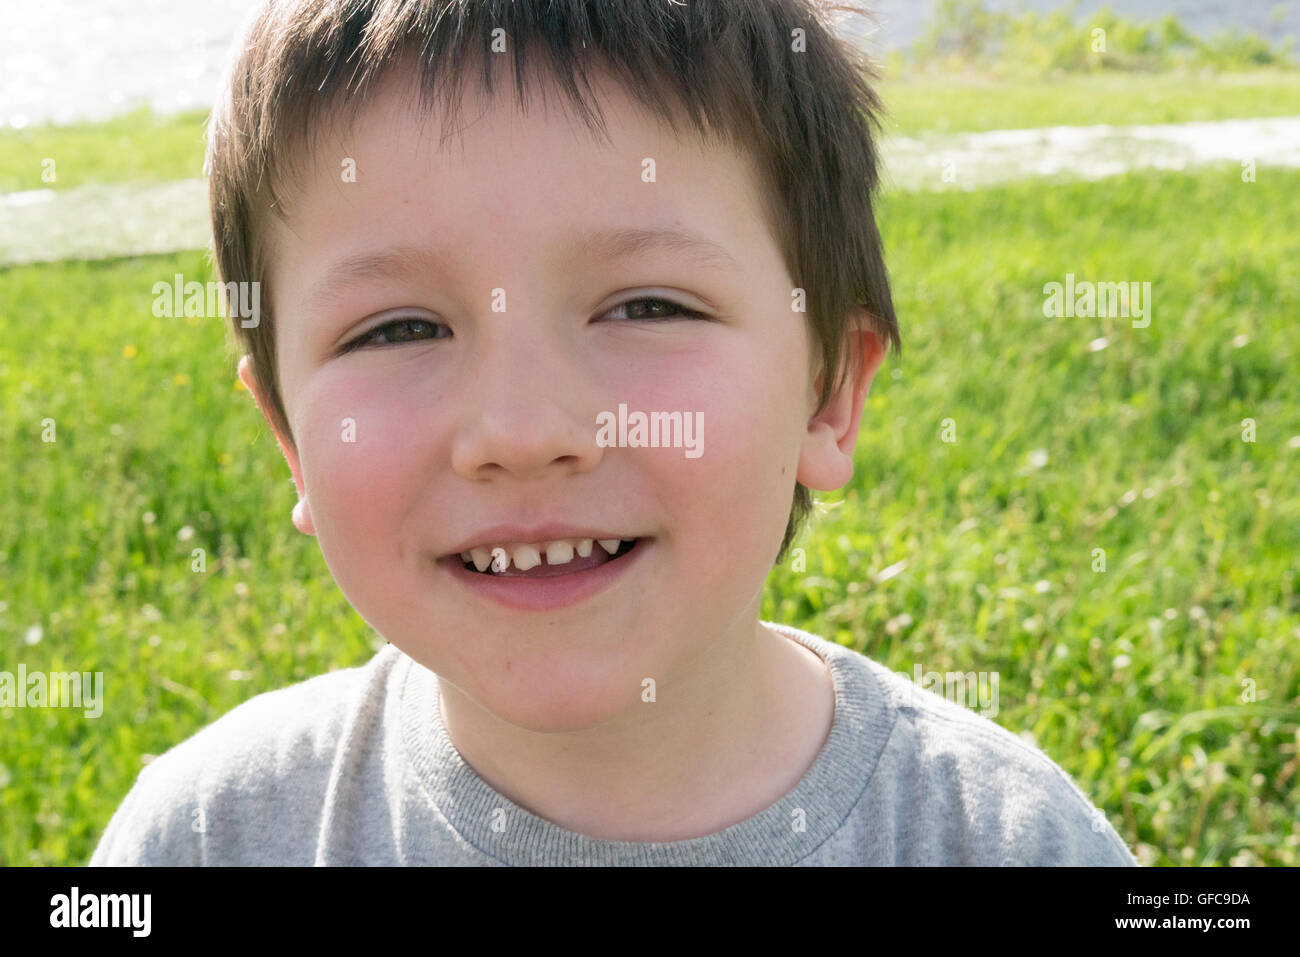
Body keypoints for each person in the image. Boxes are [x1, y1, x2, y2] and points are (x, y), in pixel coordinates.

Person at [90, 0, 1137, 866]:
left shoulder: (999, 840)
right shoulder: (209, 836)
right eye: (399, 327)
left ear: (825, 397)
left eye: (645, 308)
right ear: (288, 437)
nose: (523, 430)